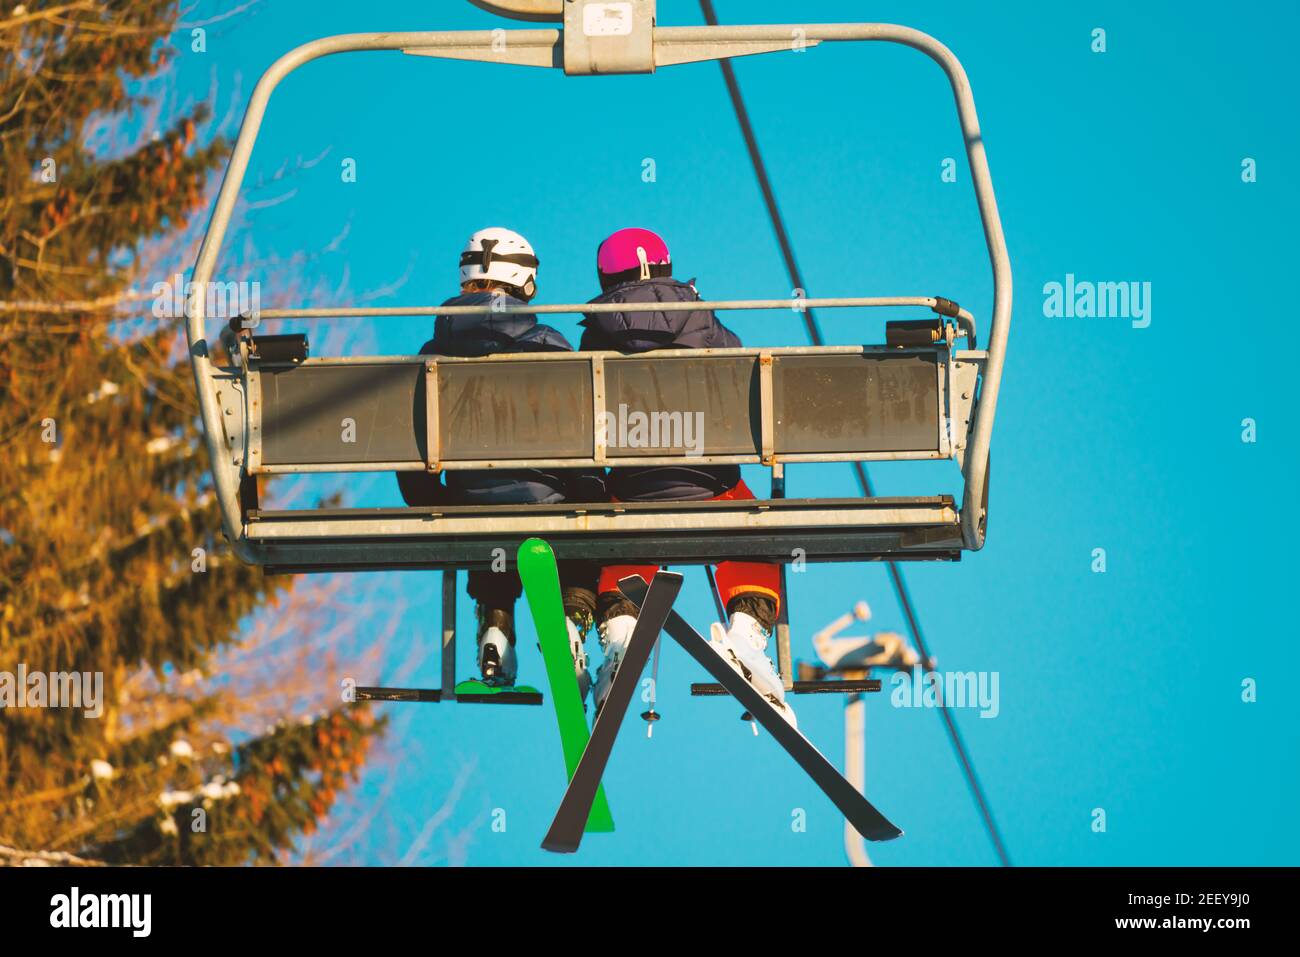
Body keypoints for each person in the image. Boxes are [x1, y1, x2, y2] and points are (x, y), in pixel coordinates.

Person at [578, 227, 795, 726]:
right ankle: (745, 629)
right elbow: (747, 391)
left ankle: (620, 636)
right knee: (756, 527)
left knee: (618, 534)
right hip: (709, 481)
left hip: (632, 489)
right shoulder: (706, 323)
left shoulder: (592, 337)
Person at [397, 227, 603, 699]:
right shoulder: (547, 343)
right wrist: (590, 492)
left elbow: (409, 444)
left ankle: (496, 632)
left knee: (488, 537)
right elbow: (578, 430)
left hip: (470, 501)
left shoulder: (433, 353)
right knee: (581, 547)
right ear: (525, 282)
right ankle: (569, 624)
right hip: (548, 498)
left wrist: (437, 500)